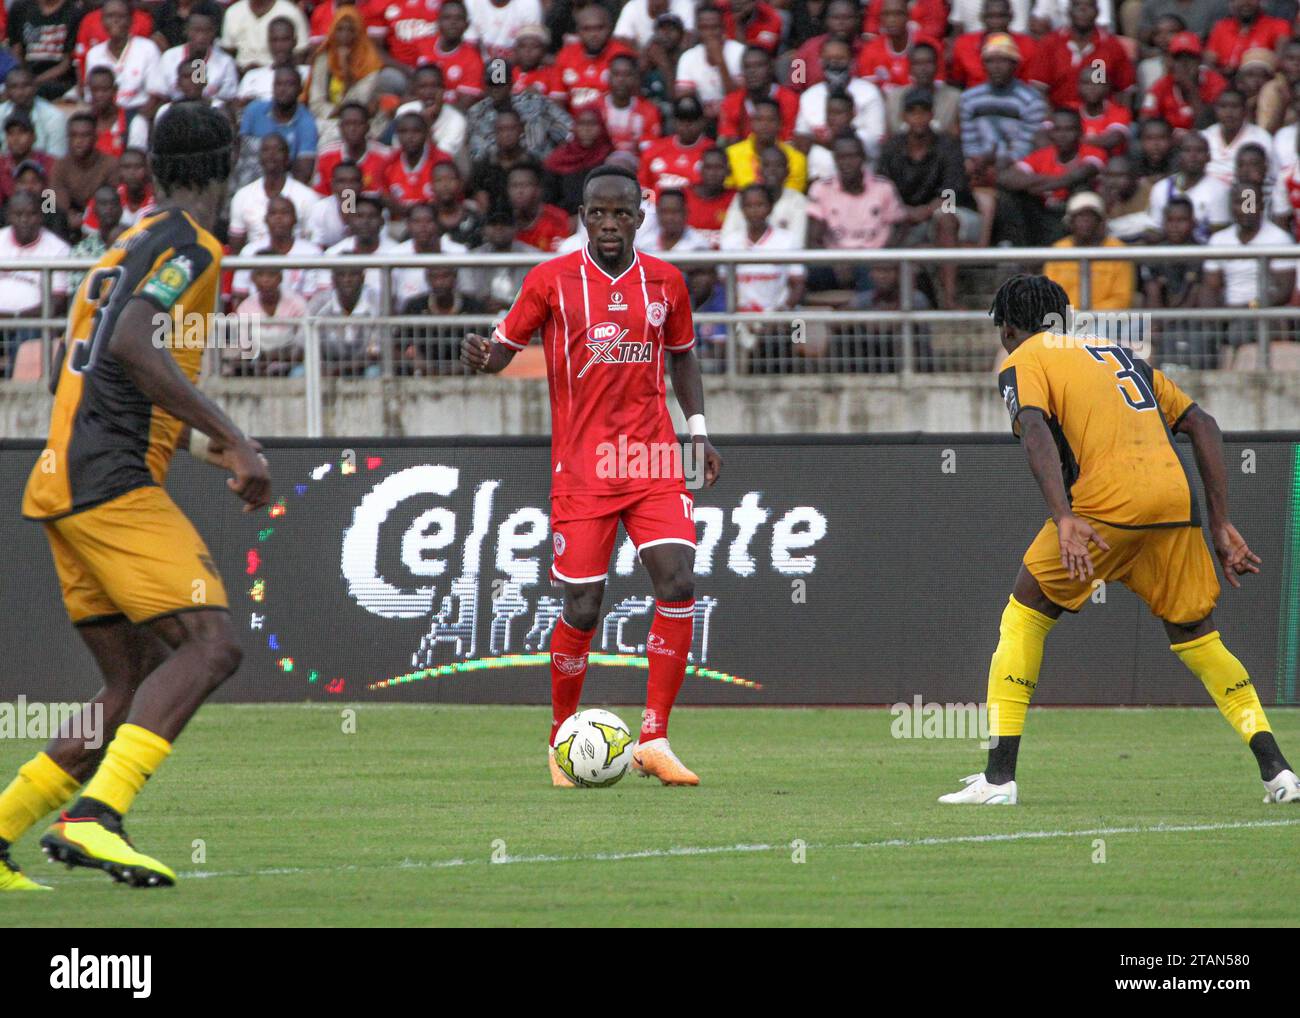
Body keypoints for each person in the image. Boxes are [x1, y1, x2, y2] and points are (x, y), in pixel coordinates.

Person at [0, 102, 269, 891]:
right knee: (212, 646)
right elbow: (130, 342)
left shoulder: (118, 246)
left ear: (152, 169)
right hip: (111, 483)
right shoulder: (191, 245)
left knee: (132, 679)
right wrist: (238, 436)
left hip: (62, 481)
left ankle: (4, 823)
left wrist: (197, 440)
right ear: (229, 164)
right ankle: (98, 816)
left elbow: (72, 373)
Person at [939, 273, 1300, 806]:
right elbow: (1203, 424)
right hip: (1174, 507)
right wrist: (1219, 523)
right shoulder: (1119, 351)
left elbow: (1034, 429)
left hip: (1105, 505)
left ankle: (998, 780)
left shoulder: (1026, 358)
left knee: (1024, 616)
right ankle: (1279, 772)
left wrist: (1063, 517)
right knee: (1199, 639)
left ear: (1009, 328)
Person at [460, 163, 722, 787]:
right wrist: (481, 358)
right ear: (582, 217)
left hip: (654, 458)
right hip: (582, 468)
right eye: (597, 213)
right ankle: (559, 739)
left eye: (621, 213)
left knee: (678, 582)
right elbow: (503, 350)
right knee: (583, 606)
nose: (609, 224)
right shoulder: (550, 280)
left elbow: (683, 359)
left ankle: (654, 737)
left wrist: (700, 431)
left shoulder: (666, 283)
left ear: (639, 217)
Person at [1140, 195, 1212, 367]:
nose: (1175, 226)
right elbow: (1152, 294)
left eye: (1181, 220)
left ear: (1193, 222)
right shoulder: (1154, 255)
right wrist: (1158, 325)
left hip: (1193, 322)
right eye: (1170, 220)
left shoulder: (1203, 253)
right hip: (1161, 322)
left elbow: (1197, 292)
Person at [1042, 190, 1135, 311]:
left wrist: (1087, 317)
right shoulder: (1059, 250)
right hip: (1064, 320)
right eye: (1080, 216)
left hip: (1105, 321)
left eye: (1090, 216)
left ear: (1100, 221)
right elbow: (1049, 295)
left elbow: (1122, 299)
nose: (1085, 221)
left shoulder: (1117, 250)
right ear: (1070, 222)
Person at [543, 106, 613, 214]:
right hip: (565, 220)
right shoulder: (558, 158)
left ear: (601, 127)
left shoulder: (609, 157)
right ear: (574, 127)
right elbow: (549, 200)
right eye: (582, 124)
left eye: (592, 124)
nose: (587, 129)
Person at [51, 111, 119, 214]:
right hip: (67, 223)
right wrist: (68, 215)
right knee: (48, 208)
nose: (78, 141)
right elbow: (53, 202)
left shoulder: (110, 164)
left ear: (95, 137)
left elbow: (114, 201)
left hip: (101, 218)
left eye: (84, 135)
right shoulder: (59, 166)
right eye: (73, 135)